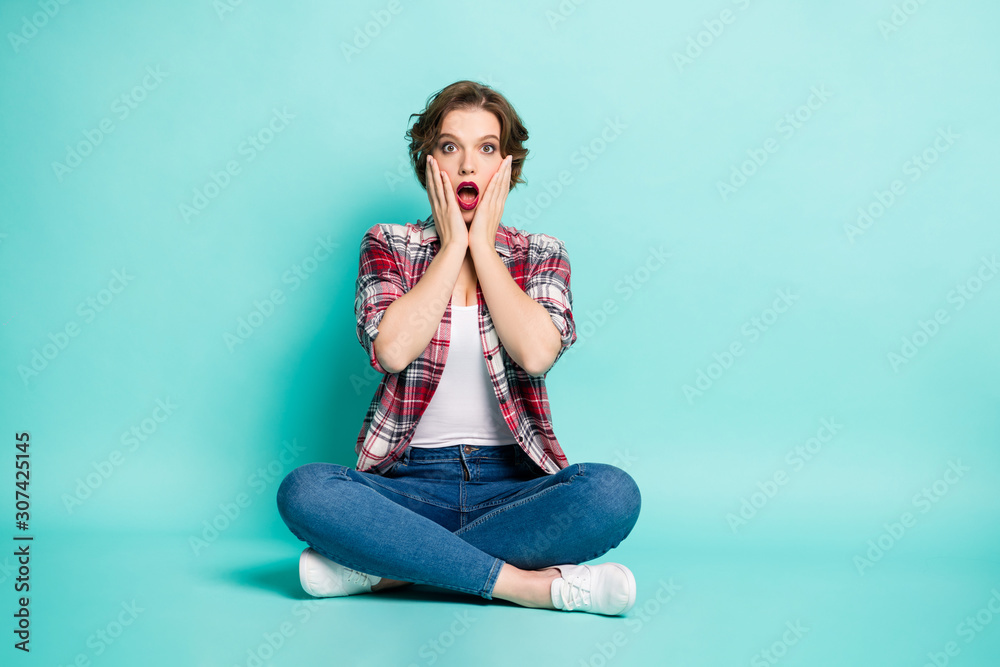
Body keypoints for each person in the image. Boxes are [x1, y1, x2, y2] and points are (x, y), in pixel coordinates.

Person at [276, 80, 641, 615]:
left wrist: (484, 252)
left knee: (611, 494)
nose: (468, 165)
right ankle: (530, 586)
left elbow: (537, 353)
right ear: (429, 163)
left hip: (511, 490)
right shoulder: (388, 244)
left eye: (487, 149)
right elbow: (394, 350)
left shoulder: (541, 252)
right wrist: (452, 249)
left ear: (508, 166)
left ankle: (388, 570)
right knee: (306, 490)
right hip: (406, 492)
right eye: (450, 147)